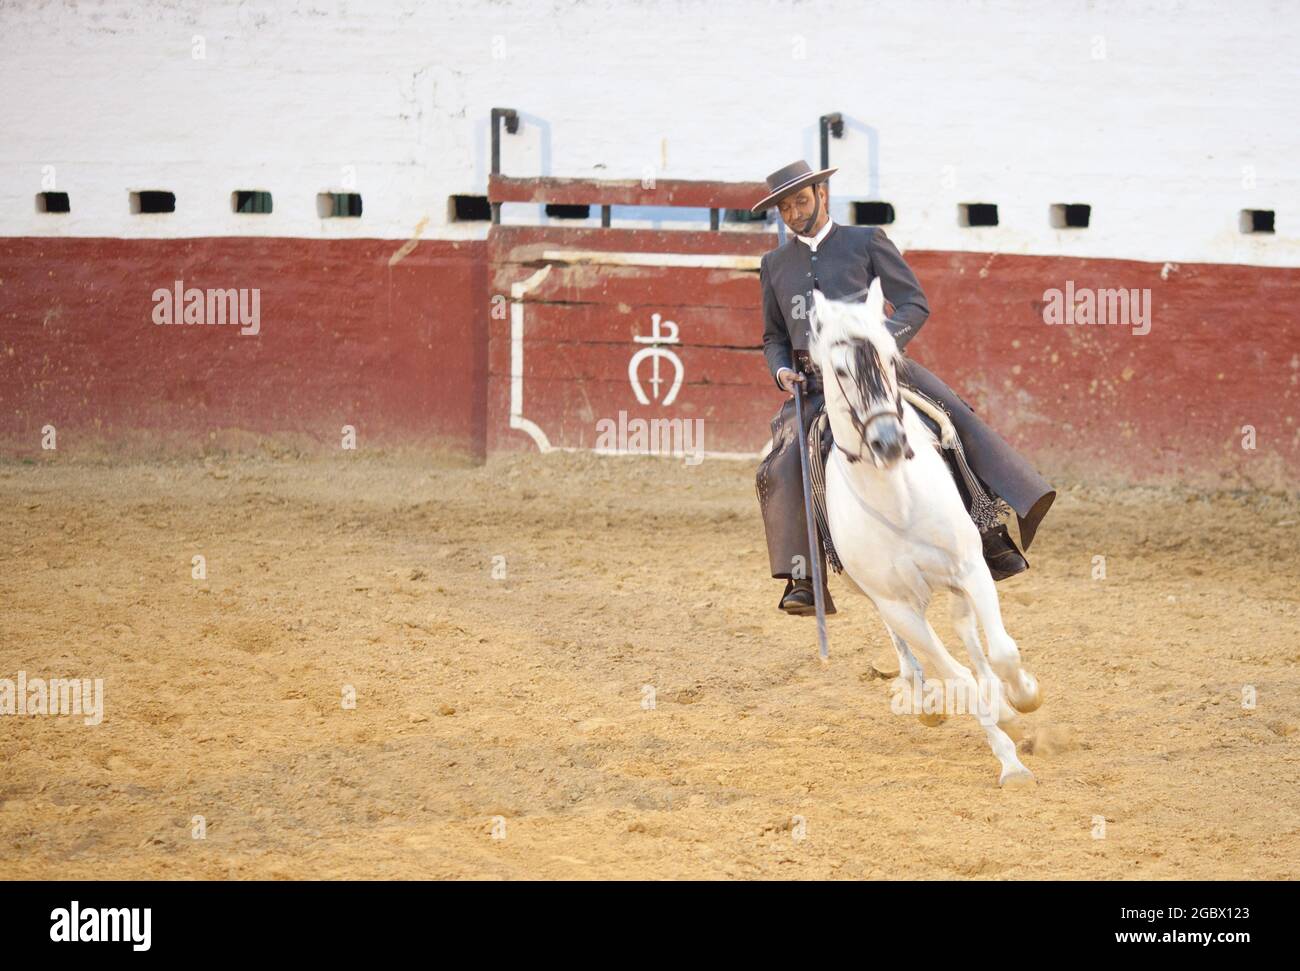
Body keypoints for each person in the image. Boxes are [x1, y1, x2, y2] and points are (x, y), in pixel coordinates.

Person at [753, 160, 1056, 616]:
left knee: (950, 417)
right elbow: (774, 336)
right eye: (785, 207)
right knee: (781, 464)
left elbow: (914, 302)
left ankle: (988, 531)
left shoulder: (866, 240)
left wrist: (879, 345)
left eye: (801, 201)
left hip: (882, 370)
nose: (795, 213)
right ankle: (804, 575)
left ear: (822, 195)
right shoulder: (774, 264)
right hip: (818, 385)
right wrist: (781, 371)